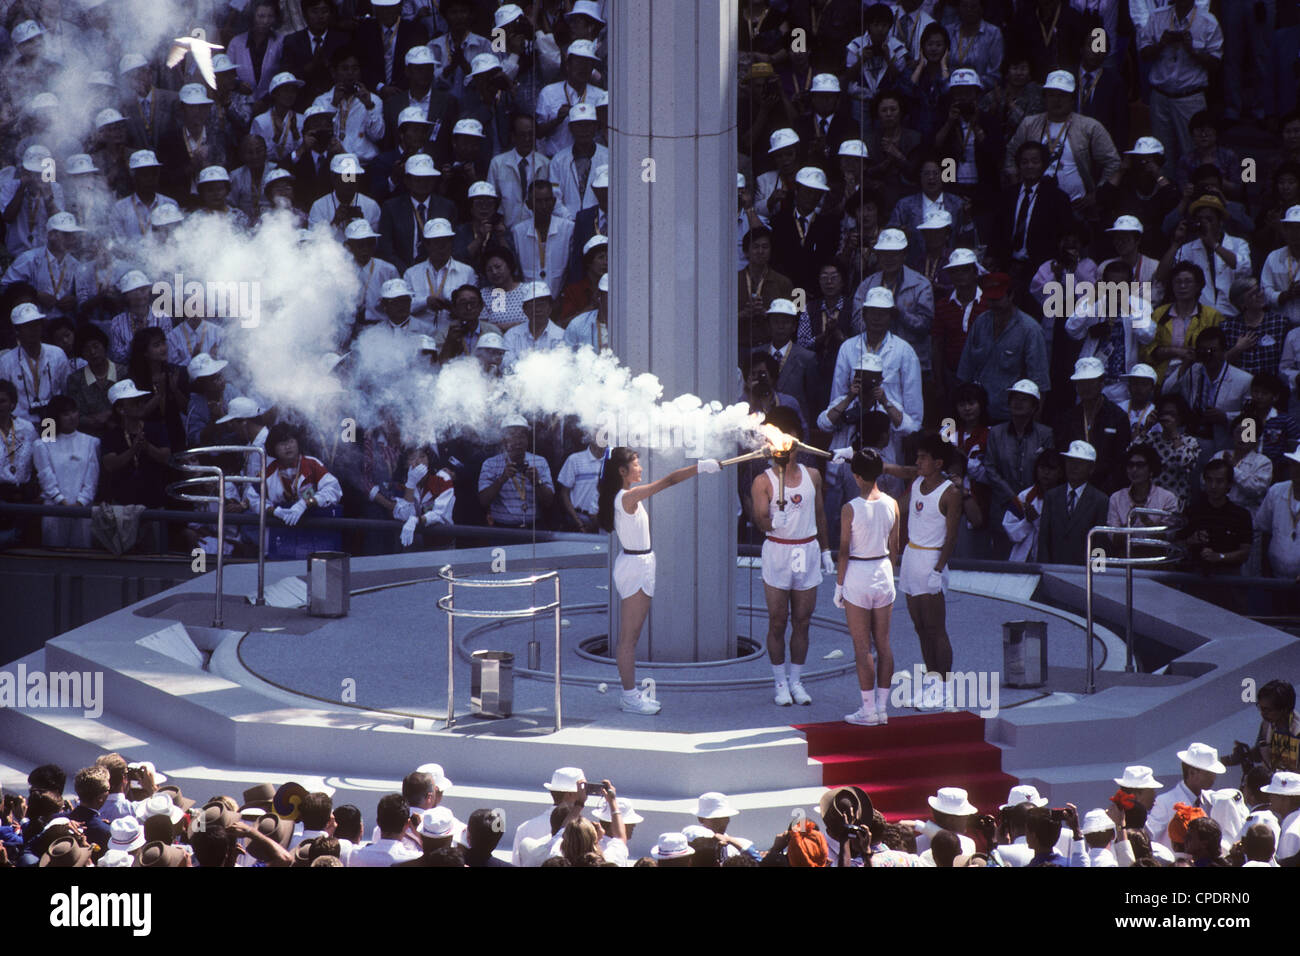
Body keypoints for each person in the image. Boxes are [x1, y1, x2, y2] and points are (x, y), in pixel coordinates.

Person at [596, 447, 720, 715]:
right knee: (628, 639)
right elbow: (670, 481)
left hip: (639, 562)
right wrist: (700, 467)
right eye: (636, 464)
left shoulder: (624, 497)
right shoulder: (628, 497)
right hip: (635, 566)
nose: (640, 468)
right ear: (622, 471)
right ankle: (629, 697)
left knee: (632, 636)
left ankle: (631, 693)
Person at [751, 408, 830, 707]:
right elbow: (760, 519)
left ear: (797, 438)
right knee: (776, 620)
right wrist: (774, 520)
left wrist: (826, 551)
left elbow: (820, 514)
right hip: (778, 550)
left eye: (791, 434)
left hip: (807, 550)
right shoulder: (764, 480)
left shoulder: (813, 475)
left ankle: (797, 680)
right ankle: (780, 682)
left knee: (803, 620)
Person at [881, 434, 961, 704]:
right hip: (911, 558)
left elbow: (951, 537)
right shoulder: (917, 483)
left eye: (923, 458)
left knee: (936, 627)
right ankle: (932, 680)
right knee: (920, 627)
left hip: (931, 562)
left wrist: (938, 570)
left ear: (938, 463)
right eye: (917, 457)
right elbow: (896, 472)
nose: (917, 462)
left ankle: (945, 688)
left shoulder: (950, 493)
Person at [833, 447, 900, 726]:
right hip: (883, 571)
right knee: (883, 644)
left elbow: (844, 551)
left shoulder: (850, 508)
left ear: (856, 476)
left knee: (863, 648)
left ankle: (869, 709)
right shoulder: (893, 504)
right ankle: (883, 708)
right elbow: (895, 547)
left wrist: (839, 586)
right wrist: (890, 576)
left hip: (858, 575)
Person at [1149, 742, 1247, 853]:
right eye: (1209, 773)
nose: (1214, 777)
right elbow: (1150, 840)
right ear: (1192, 773)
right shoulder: (1164, 802)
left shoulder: (1215, 802)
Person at [32, 395, 98, 548]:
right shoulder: (43, 444)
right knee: (55, 559)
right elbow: (45, 476)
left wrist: (80, 503)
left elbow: (92, 477)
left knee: (81, 558)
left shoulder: (91, 442)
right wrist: (62, 501)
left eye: (74, 411)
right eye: (66, 413)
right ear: (56, 417)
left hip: (82, 509)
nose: (71, 417)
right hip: (54, 509)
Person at [1036, 440, 1109, 565]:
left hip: (1084, 572)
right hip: (1053, 568)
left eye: (1079, 463)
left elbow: (1100, 542)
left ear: (1091, 468)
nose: (1073, 467)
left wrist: (1097, 573)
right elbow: (1043, 539)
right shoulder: (1051, 496)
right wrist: (1043, 569)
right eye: (1070, 461)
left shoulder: (1100, 500)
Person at [477, 418, 556, 529]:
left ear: (527, 440)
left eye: (522, 436)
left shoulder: (540, 462)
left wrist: (537, 482)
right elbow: (483, 501)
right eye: (512, 436)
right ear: (504, 440)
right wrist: (502, 479)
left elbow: (548, 502)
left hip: (533, 529)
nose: (518, 441)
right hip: (503, 530)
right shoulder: (490, 464)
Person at [1178, 458, 1252, 575]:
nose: (1213, 486)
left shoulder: (1241, 515)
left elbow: (1245, 553)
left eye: (1219, 481)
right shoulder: (1192, 511)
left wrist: (1219, 556)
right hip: (1195, 576)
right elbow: (1177, 545)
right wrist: (1191, 540)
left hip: (1229, 578)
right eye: (1209, 480)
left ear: (1229, 484)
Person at [1107, 442, 1180, 539]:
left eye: (1140, 465)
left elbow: (1169, 536)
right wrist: (1130, 522)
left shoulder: (1167, 498)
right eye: (1130, 465)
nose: (1134, 469)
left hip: (1155, 553)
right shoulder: (1116, 498)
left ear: (1151, 469)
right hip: (1124, 553)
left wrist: (1146, 520)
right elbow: (1113, 538)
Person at [1149, 392, 1205, 510]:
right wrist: (1146, 427)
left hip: (1177, 500)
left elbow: (1185, 463)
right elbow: (1131, 453)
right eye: (1164, 413)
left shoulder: (1190, 441)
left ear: (1180, 417)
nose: (1167, 417)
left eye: (1172, 414)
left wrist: (1174, 433)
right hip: (1151, 499)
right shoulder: (1151, 438)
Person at [1256, 443, 1300, 587]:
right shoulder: (1276, 491)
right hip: (1275, 579)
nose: (1297, 471)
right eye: (1295, 465)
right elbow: (1264, 530)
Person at [556, 437, 604, 532]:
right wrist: (579, 523)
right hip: (579, 519)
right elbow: (564, 494)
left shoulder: (613, 461)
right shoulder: (574, 459)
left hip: (604, 522)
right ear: (589, 435)